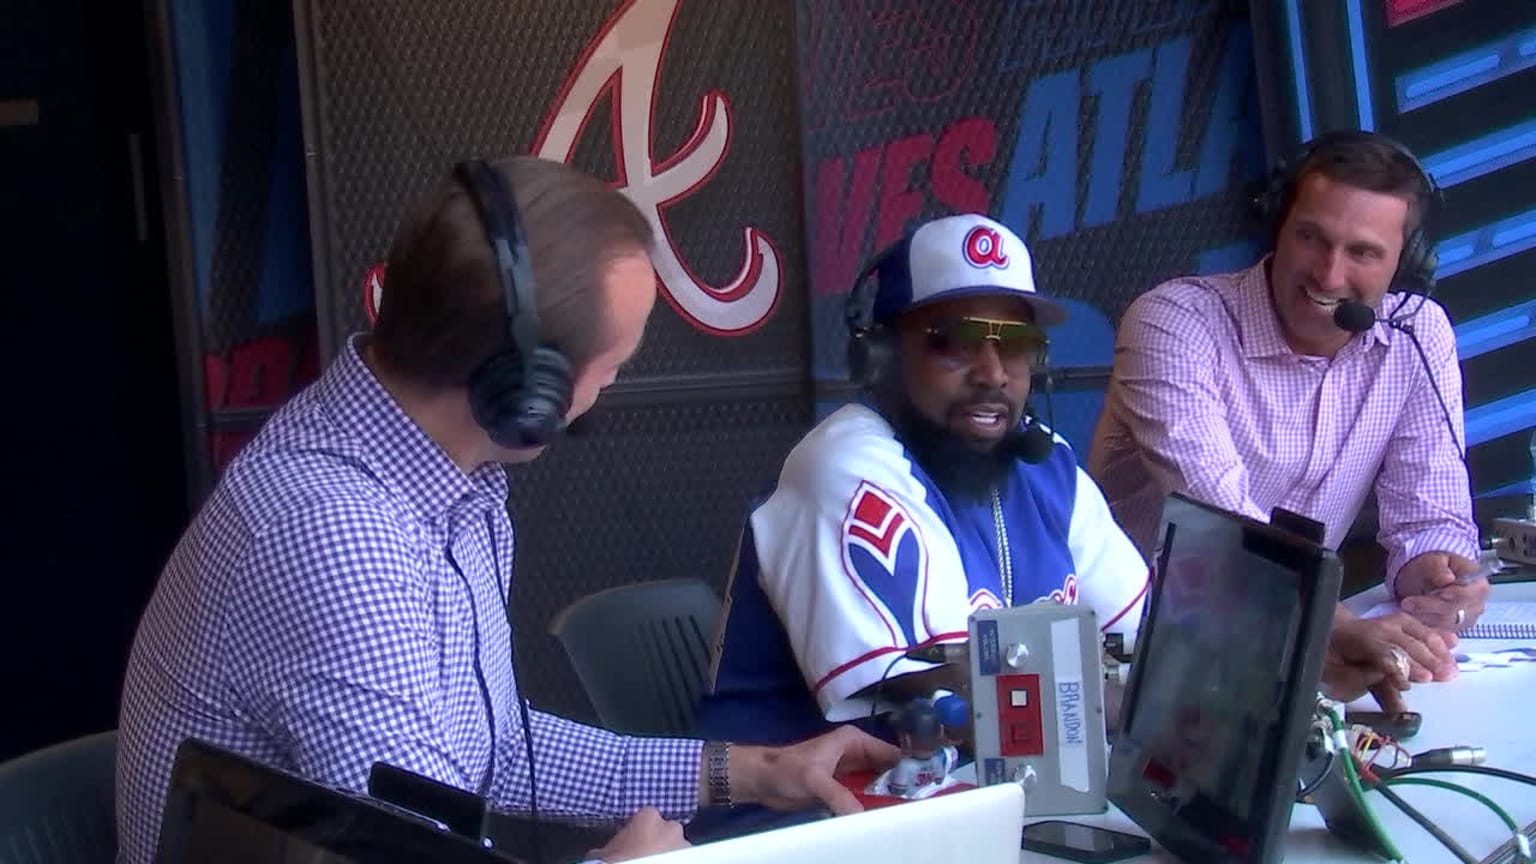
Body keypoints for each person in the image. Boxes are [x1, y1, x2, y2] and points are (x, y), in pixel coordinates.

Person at [115, 156, 898, 864]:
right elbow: (420, 855)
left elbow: (492, 751)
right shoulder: (337, 535)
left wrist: (758, 771)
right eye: (612, 366)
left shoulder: (453, 482)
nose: (612, 388)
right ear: (527, 390)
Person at [693, 214, 1153, 750]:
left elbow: (1136, 643)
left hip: (977, 805)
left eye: (1016, 343)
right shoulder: (843, 470)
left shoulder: (1044, 465)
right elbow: (952, 706)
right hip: (805, 820)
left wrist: (1156, 687)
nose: (993, 373)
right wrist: (1135, 698)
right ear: (882, 356)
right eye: (956, 341)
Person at [1086, 130, 1478, 706]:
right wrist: (1334, 625)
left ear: (1406, 264)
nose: (1328, 274)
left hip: (1283, 653)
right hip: (1128, 659)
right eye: (1311, 238)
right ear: (1277, 228)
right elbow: (1222, 522)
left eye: (1363, 252)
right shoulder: (1174, 321)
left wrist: (1435, 578)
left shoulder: (1417, 333)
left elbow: (1431, 515)